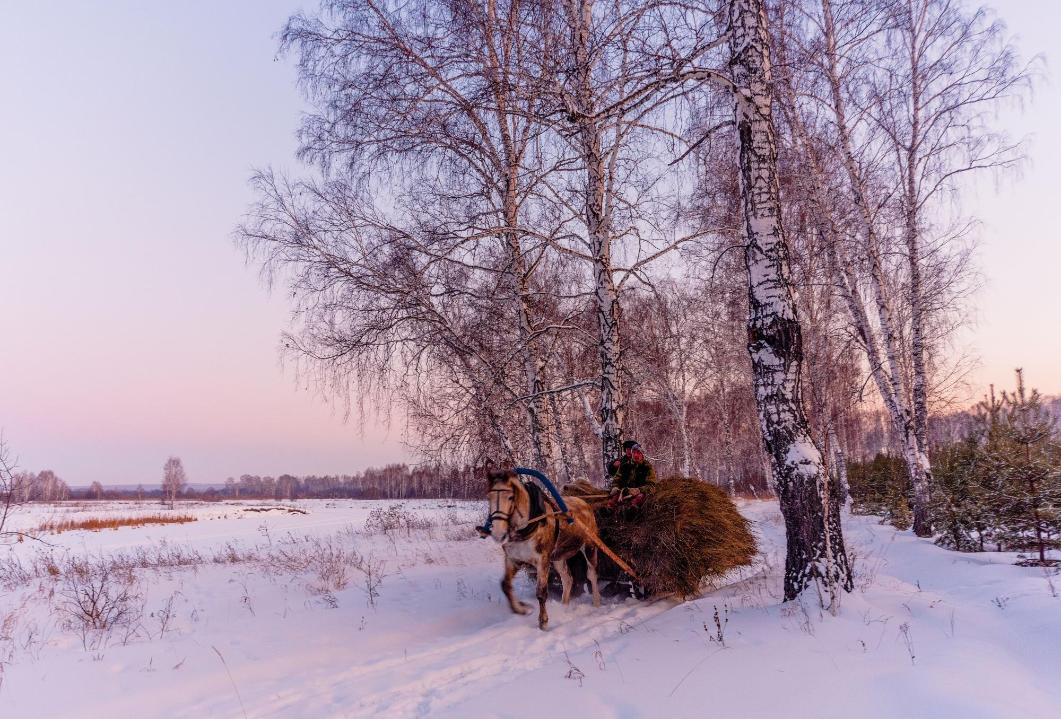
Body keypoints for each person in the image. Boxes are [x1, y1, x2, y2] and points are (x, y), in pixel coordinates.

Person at [607, 441, 656, 508]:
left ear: (642, 455)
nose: (636, 455)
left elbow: (652, 486)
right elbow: (616, 480)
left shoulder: (647, 467)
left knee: (637, 500)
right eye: (634, 452)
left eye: (638, 453)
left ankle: (631, 510)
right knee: (612, 500)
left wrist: (639, 490)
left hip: (639, 494)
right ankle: (608, 510)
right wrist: (615, 487)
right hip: (624, 493)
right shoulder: (624, 466)